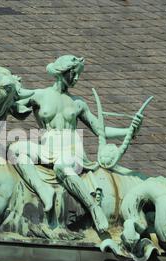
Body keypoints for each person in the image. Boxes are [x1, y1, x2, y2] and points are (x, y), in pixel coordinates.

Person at [8, 55, 142, 233]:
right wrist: (11, 87)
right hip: (47, 145)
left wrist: (129, 131)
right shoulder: (39, 95)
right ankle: (44, 191)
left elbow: (100, 130)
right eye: (74, 74)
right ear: (63, 72)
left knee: (62, 167)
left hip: (71, 148)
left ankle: (94, 207)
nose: (77, 78)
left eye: (78, 74)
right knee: (15, 149)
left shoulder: (78, 103)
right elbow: (13, 106)